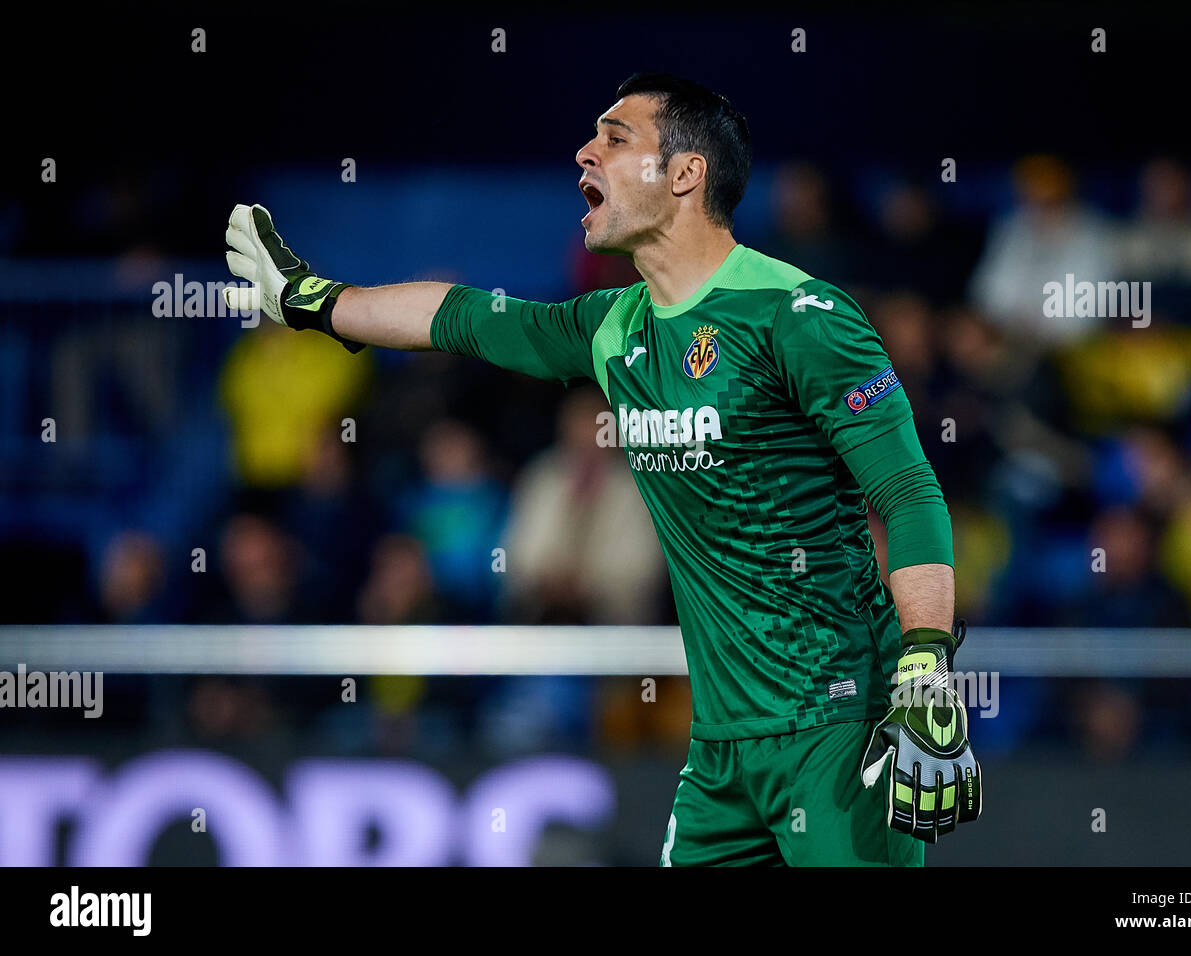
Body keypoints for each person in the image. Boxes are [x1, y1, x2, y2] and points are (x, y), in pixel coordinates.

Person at [221, 71, 979, 865]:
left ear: (687, 174)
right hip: (721, 752)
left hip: (839, 731)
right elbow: (460, 318)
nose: (586, 150)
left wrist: (925, 662)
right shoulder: (611, 327)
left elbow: (909, 491)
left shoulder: (799, 316)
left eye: (616, 138)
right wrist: (311, 299)